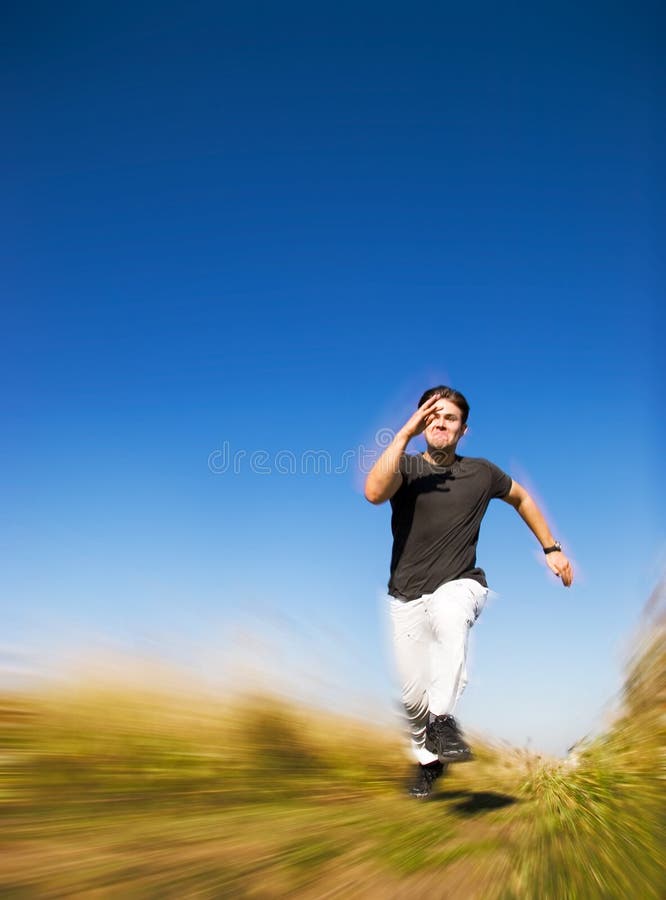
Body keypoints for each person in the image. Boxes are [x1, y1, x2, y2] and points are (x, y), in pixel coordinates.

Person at [364, 386, 573, 798]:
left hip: (462, 581)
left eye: (451, 417)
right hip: (405, 594)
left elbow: (521, 497)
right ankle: (429, 761)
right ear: (423, 422)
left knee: (450, 613)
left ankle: (443, 722)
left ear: (463, 430)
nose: (441, 422)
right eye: (433, 415)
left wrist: (551, 548)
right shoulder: (405, 467)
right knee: (412, 698)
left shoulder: (482, 473)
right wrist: (403, 433)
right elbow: (373, 493)